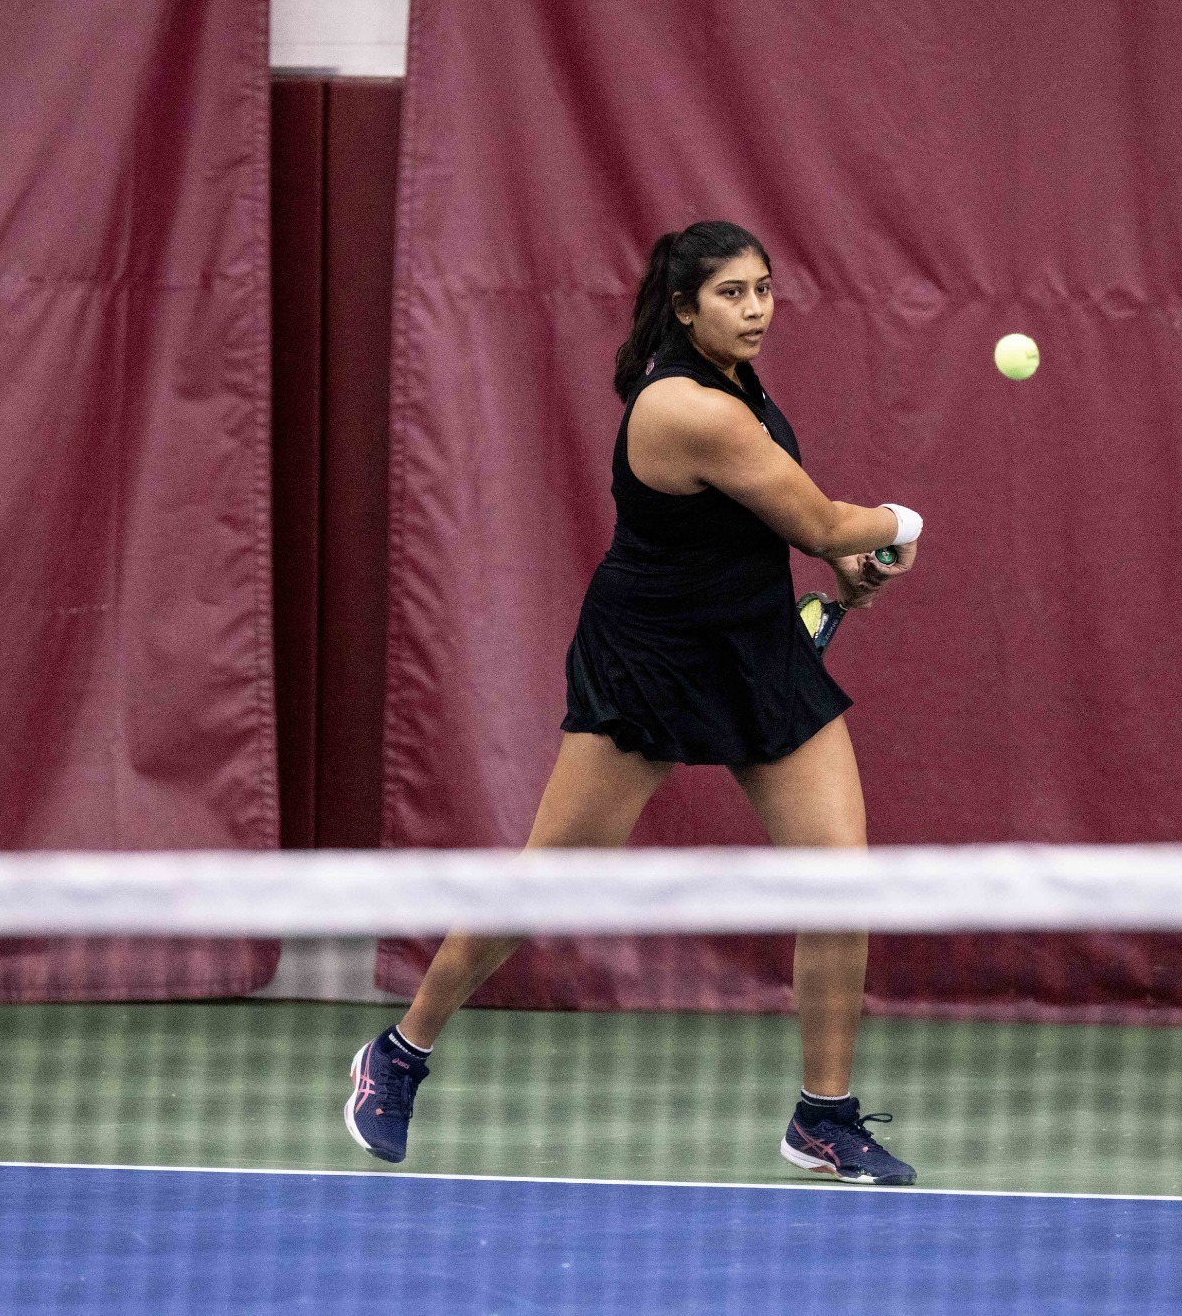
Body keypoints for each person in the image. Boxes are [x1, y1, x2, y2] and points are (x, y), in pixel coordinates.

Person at [345, 220, 923, 1185]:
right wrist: (901, 523)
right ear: (686, 308)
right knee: (550, 876)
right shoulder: (685, 407)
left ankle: (822, 1118)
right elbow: (823, 520)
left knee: (840, 883)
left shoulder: (740, 385)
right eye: (732, 293)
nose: (755, 309)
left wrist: (843, 566)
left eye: (764, 288)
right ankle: (399, 1054)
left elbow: (785, 521)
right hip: (650, 659)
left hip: (756, 648)